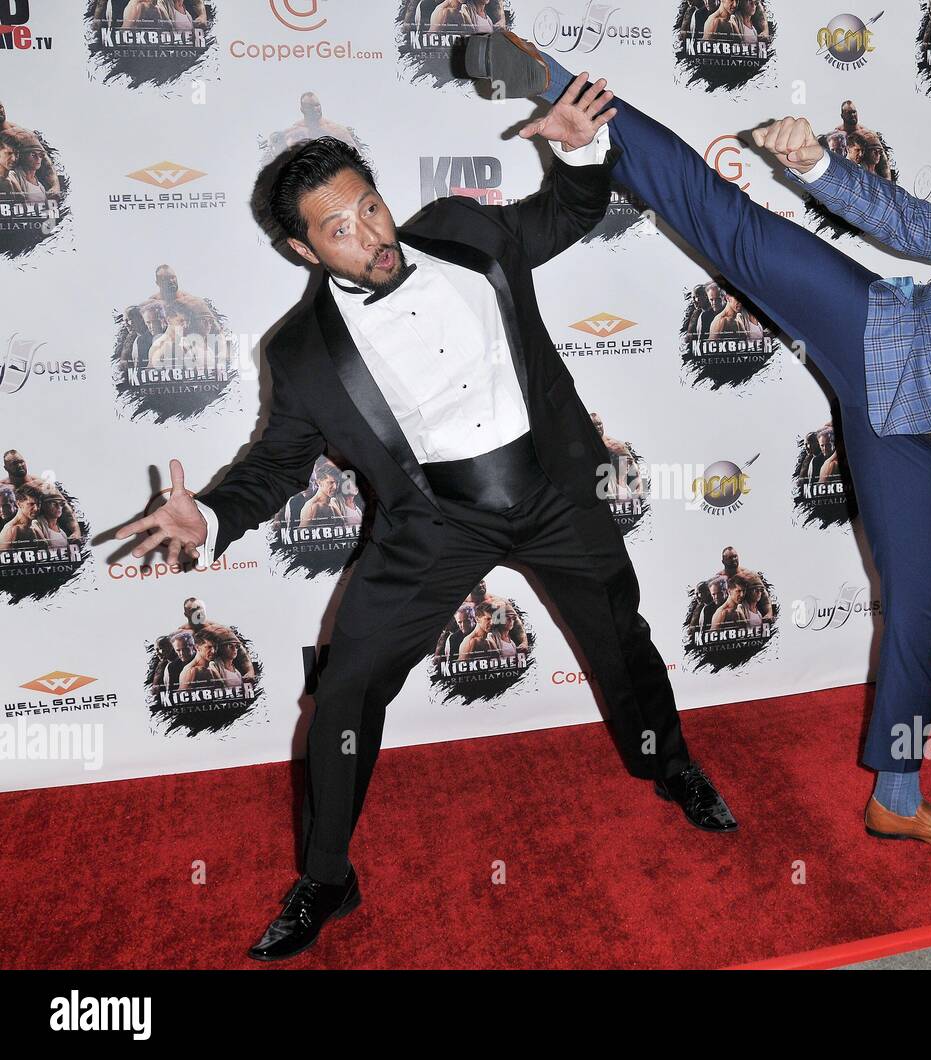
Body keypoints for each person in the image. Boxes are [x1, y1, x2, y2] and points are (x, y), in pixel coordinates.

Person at [466, 30, 931, 856]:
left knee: (923, 615)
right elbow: (920, 226)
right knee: (730, 223)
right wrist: (820, 169)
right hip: (885, 336)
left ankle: (896, 800)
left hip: (922, 452)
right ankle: (551, 78)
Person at [115, 72, 738, 963]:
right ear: (300, 250)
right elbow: (276, 464)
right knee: (345, 689)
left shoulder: (462, 229)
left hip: (557, 490)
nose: (371, 236)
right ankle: (328, 874)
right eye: (339, 229)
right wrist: (208, 515)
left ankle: (667, 763)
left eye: (369, 207)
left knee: (621, 638)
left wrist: (573, 149)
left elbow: (565, 213)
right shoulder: (298, 354)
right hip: (434, 523)